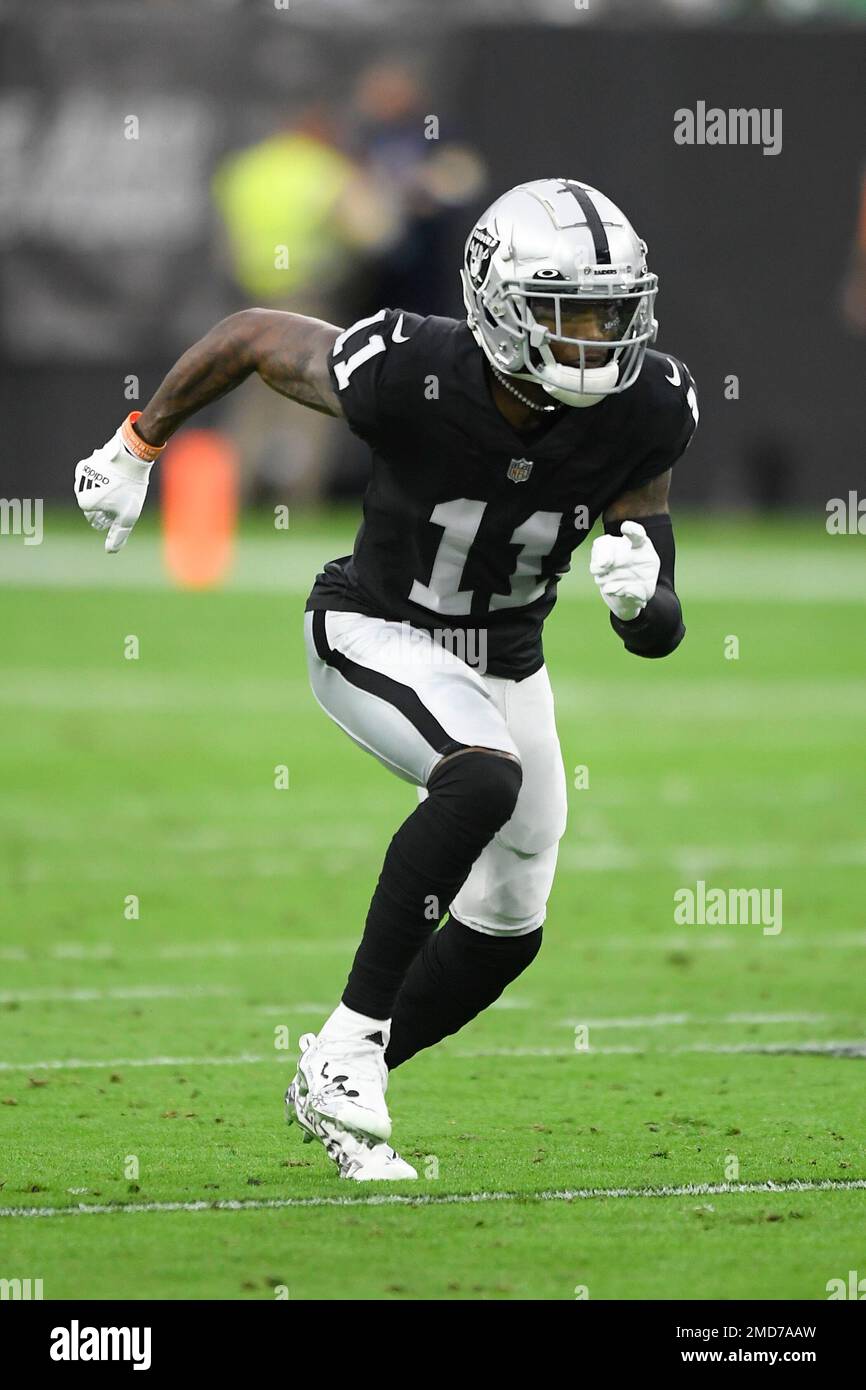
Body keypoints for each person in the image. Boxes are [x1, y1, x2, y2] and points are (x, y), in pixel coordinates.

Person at [73, 178, 698, 1182]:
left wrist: (643, 601)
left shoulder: (646, 408)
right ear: (498, 304)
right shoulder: (412, 367)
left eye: (611, 311)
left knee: (506, 926)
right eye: (567, 309)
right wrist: (137, 441)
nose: (594, 336)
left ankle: (338, 1064)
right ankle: (354, 1034)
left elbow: (658, 633)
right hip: (372, 626)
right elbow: (247, 335)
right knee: (481, 775)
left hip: (508, 656)